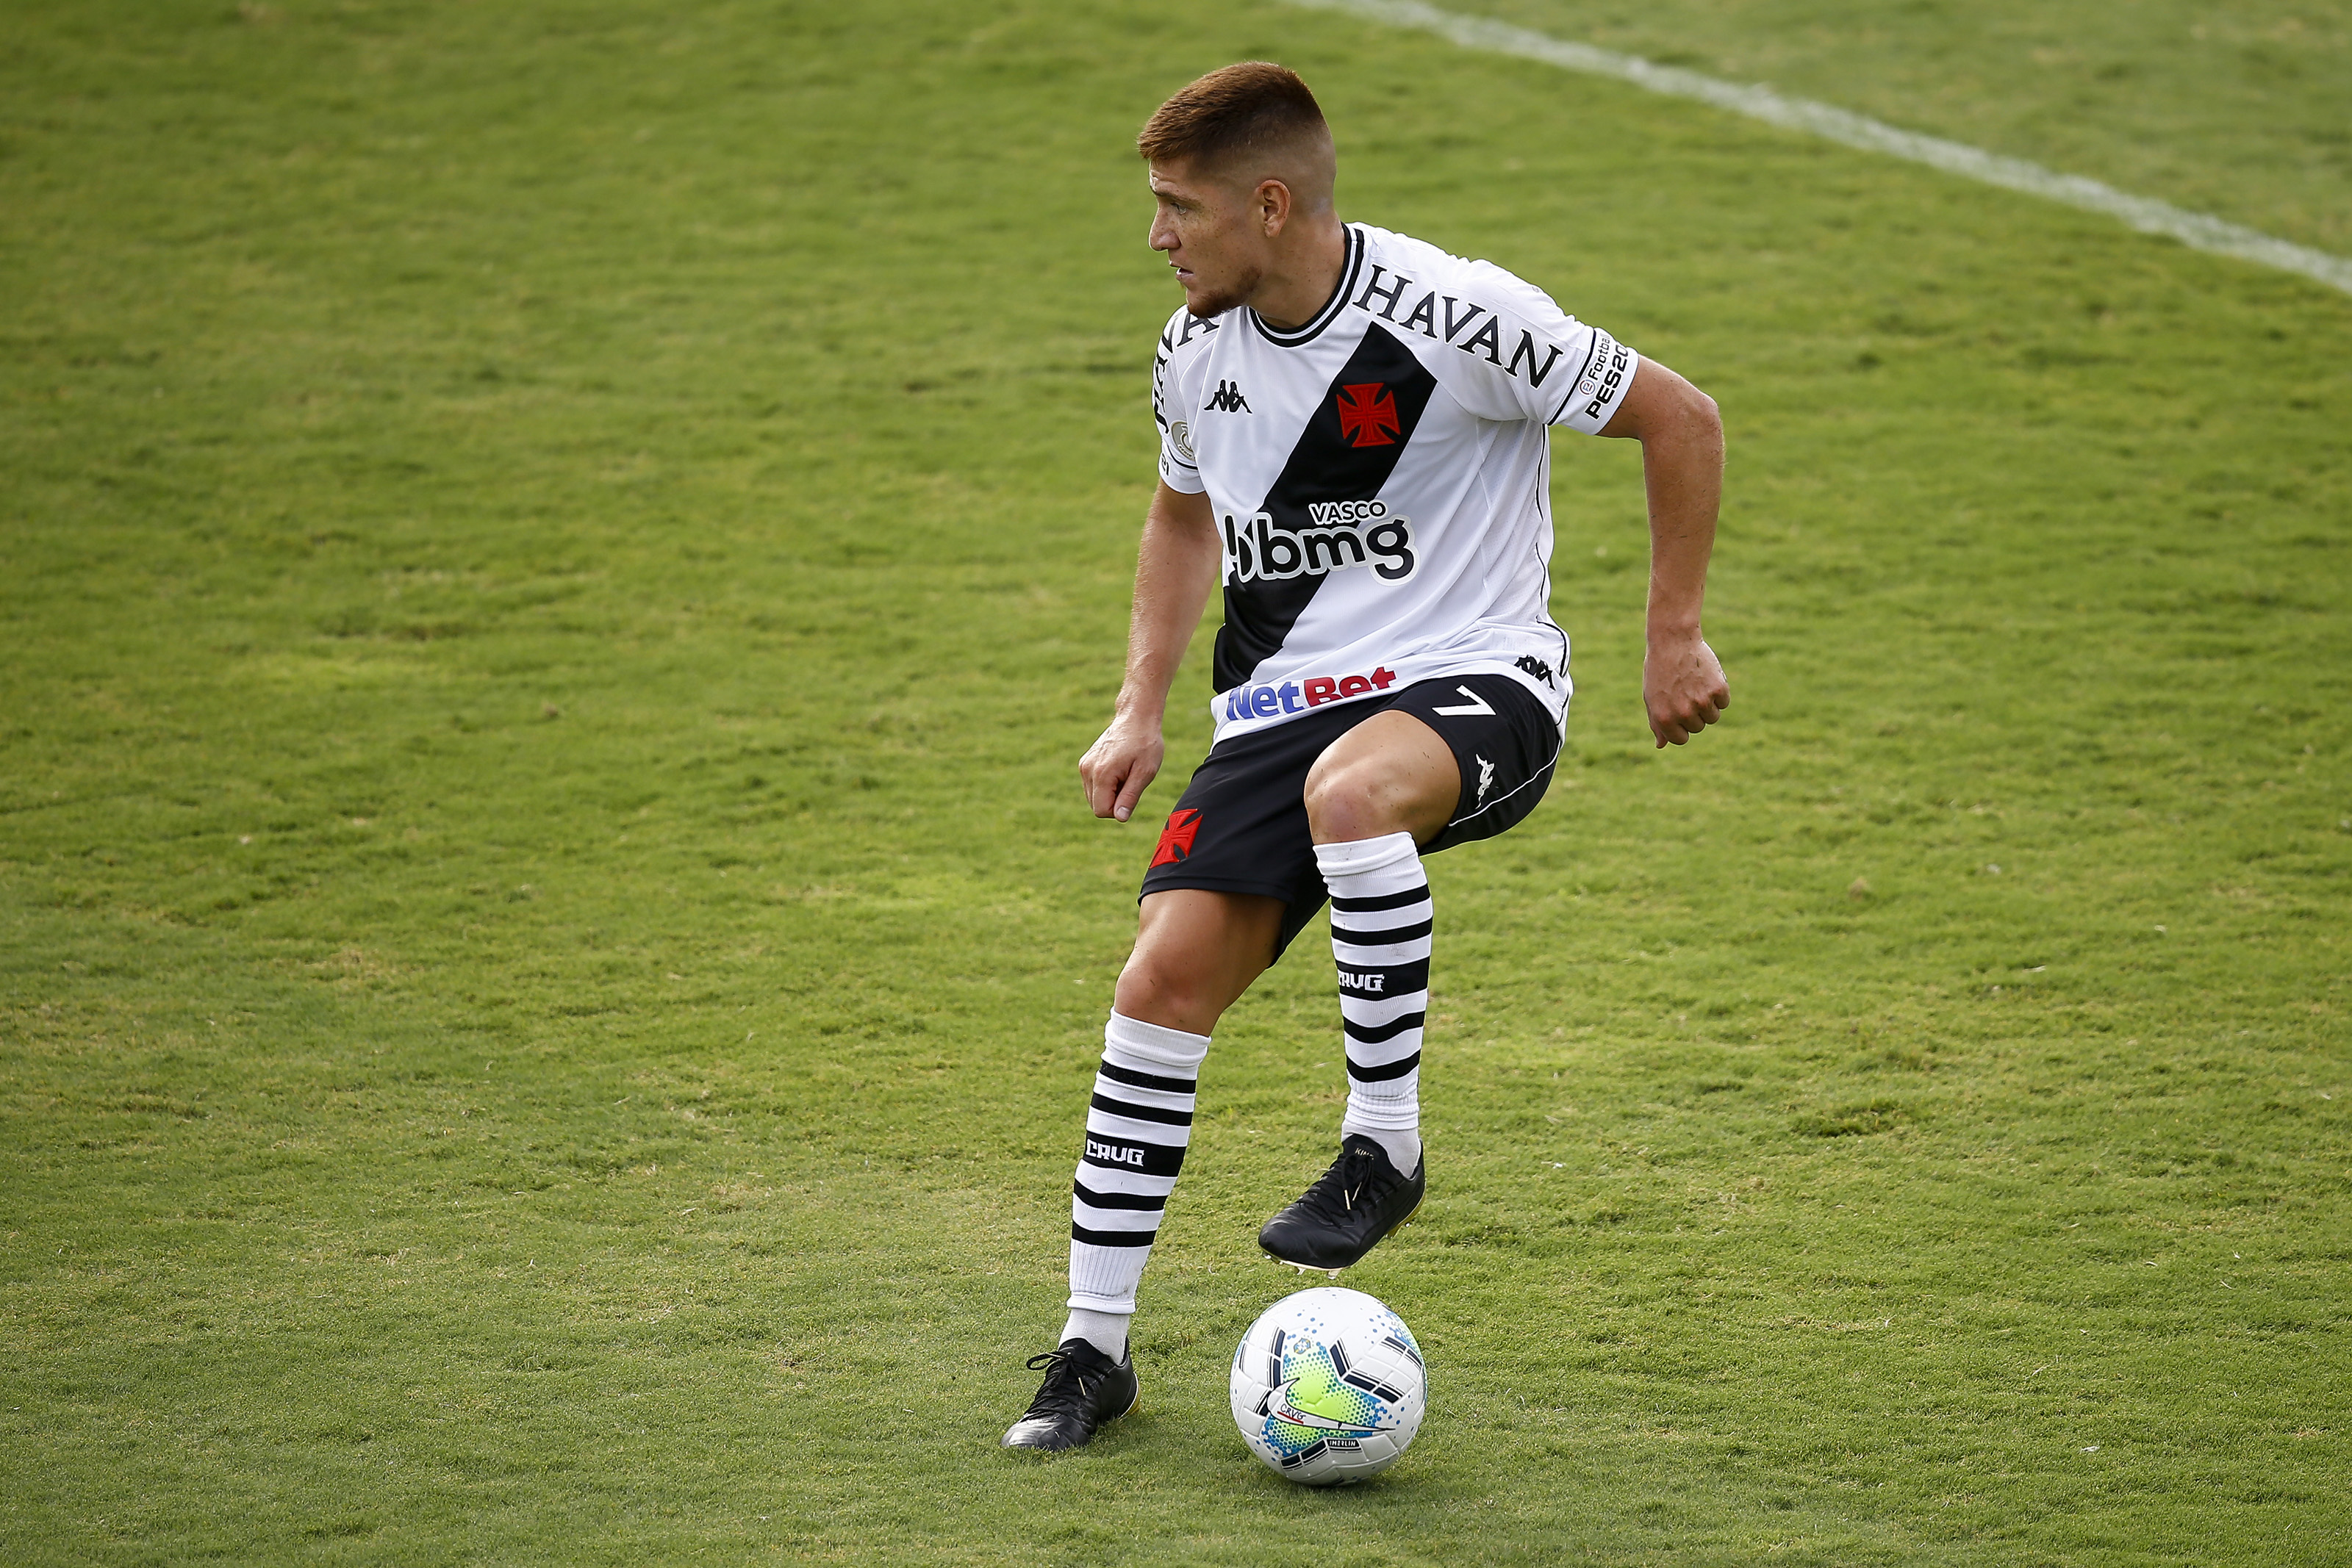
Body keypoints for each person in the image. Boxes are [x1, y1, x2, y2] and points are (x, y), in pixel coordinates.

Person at [1002, 61, 1728, 1453]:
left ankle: (1382, 1143)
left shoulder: (1457, 314)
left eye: (1180, 207)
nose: (1158, 236)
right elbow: (1180, 517)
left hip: (1475, 677)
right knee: (1157, 983)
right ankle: (1092, 1353)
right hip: (1276, 712)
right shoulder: (1192, 351)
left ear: (1271, 205)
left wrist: (1673, 637)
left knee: (1353, 794)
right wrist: (1140, 703)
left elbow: (1678, 416)